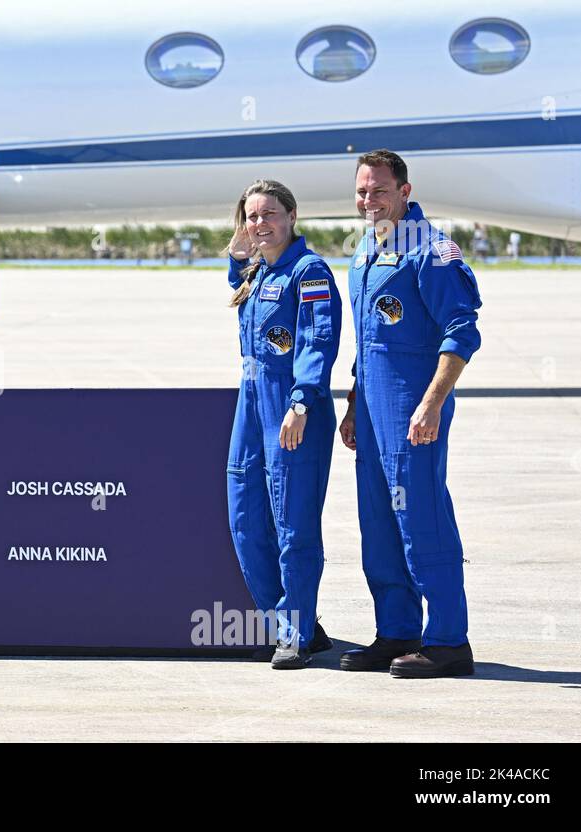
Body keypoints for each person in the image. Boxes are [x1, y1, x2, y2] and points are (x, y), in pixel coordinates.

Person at [339, 150, 482, 678]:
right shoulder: (365, 251)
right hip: (373, 417)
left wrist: (432, 402)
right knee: (378, 524)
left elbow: (461, 333)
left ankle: (447, 641)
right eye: (361, 191)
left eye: (378, 190)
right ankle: (396, 630)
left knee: (422, 519)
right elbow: (368, 340)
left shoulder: (433, 251)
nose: (368, 200)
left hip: (413, 414)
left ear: (404, 190)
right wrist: (354, 405)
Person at [224, 179, 342, 669]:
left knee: (293, 526)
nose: (260, 223)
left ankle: (295, 633)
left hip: (293, 408)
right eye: (252, 216)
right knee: (245, 518)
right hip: (251, 403)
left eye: (269, 214)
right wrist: (236, 254)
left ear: (292, 216)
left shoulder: (309, 271)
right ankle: (290, 622)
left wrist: (301, 400)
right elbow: (238, 283)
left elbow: (318, 339)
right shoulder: (255, 272)